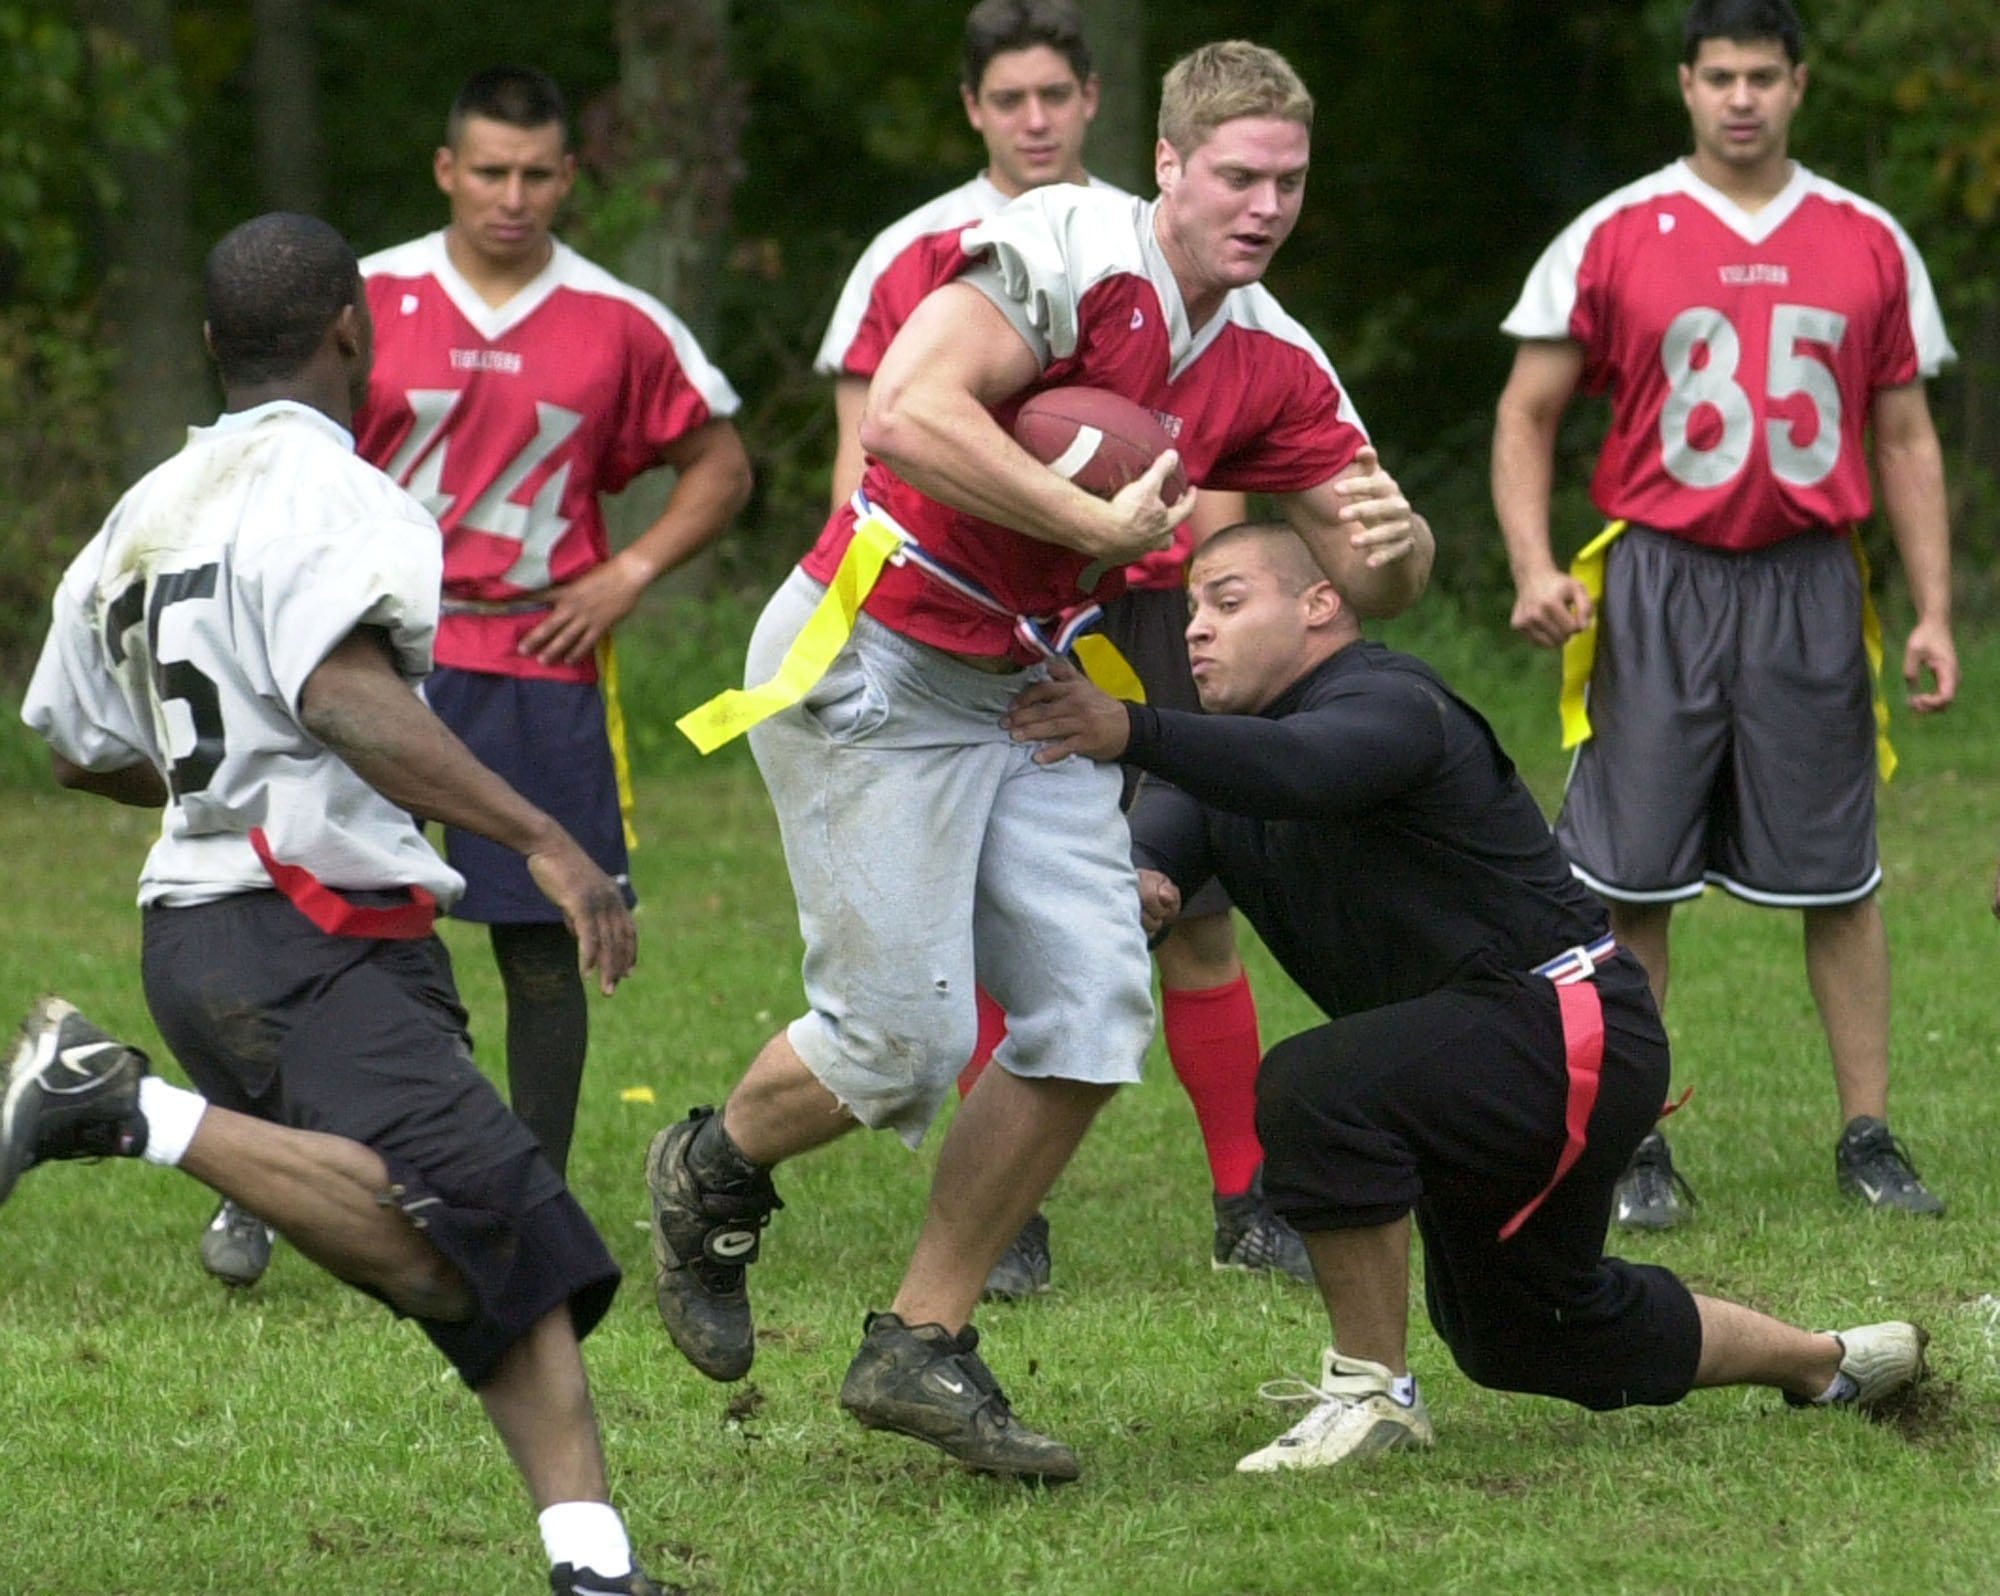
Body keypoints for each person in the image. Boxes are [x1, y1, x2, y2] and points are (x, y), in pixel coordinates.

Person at [654, 41, 1431, 1483]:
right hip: (874, 648)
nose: (1265, 207)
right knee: (900, 1044)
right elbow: (906, 414)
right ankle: (712, 1171)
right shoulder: (1067, 246)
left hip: (1028, 688)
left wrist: (1401, 546)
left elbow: (1371, 576)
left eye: (1289, 181)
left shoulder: (1274, 351)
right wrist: (1090, 525)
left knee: (1091, 1011)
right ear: (1168, 165)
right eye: (1238, 176)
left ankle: (920, 1340)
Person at [11, 212, 664, 1596]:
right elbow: (341, 696)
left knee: (479, 1255)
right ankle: (117, 1107)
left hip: (201, 936)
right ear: (351, 334)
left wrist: (220, 777)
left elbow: (74, 745)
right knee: (488, 1229)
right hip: (307, 934)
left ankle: (593, 1567)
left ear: (212, 345)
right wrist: (540, 836)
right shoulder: (341, 494)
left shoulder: (138, 515)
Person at [1002, 520, 1929, 1474]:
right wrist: (1141, 883)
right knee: (1528, 1334)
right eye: (1193, 606)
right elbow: (1157, 841)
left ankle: (1372, 1395)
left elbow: (1310, 767)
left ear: (1321, 605)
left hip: (1569, 1021)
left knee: (1315, 1086)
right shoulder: (1219, 765)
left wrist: (1133, 727)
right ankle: (1829, 1363)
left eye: (1228, 602)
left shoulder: (1391, 701)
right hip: (1482, 1044)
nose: (1196, 627)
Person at [128, 66, 766, 1293]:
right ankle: (256, 1186)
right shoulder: (361, 303)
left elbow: (721, 466)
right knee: (296, 917)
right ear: (445, 170)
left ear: (568, 177)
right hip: (360, 658)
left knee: (541, 937)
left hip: (535, 656)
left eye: (535, 174)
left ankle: (534, 1193)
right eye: (488, 172)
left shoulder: (619, 319)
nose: (510, 197)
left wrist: (627, 573)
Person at [815, 0, 1304, 1299]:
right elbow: (875, 442)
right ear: (972, 109)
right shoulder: (922, 253)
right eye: (1008, 98)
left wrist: (1218, 592)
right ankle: (1009, 1221)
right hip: (991, 610)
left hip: (1149, 604)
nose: (1034, 119)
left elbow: (1221, 441)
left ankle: (1250, 1198)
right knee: (1007, 920)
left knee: (1196, 914)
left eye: (1054, 95)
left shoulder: (1187, 244)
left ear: (1097, 105)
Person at [1491, 0, 1956, 1230]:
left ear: (1796, 84)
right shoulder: (1613, 232)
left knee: (1837, 877)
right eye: (1717, 76)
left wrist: (1932, 610)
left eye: (1760, 75)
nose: (1739, 97)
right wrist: (1532, 564)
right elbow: (1525, 409)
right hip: (1658, 576)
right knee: (1629, 876)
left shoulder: (1865, 238)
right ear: (1685, 85)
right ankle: (1631, 1140)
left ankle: (1866, 1132)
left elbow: (1904, 434)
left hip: (1808, 576)